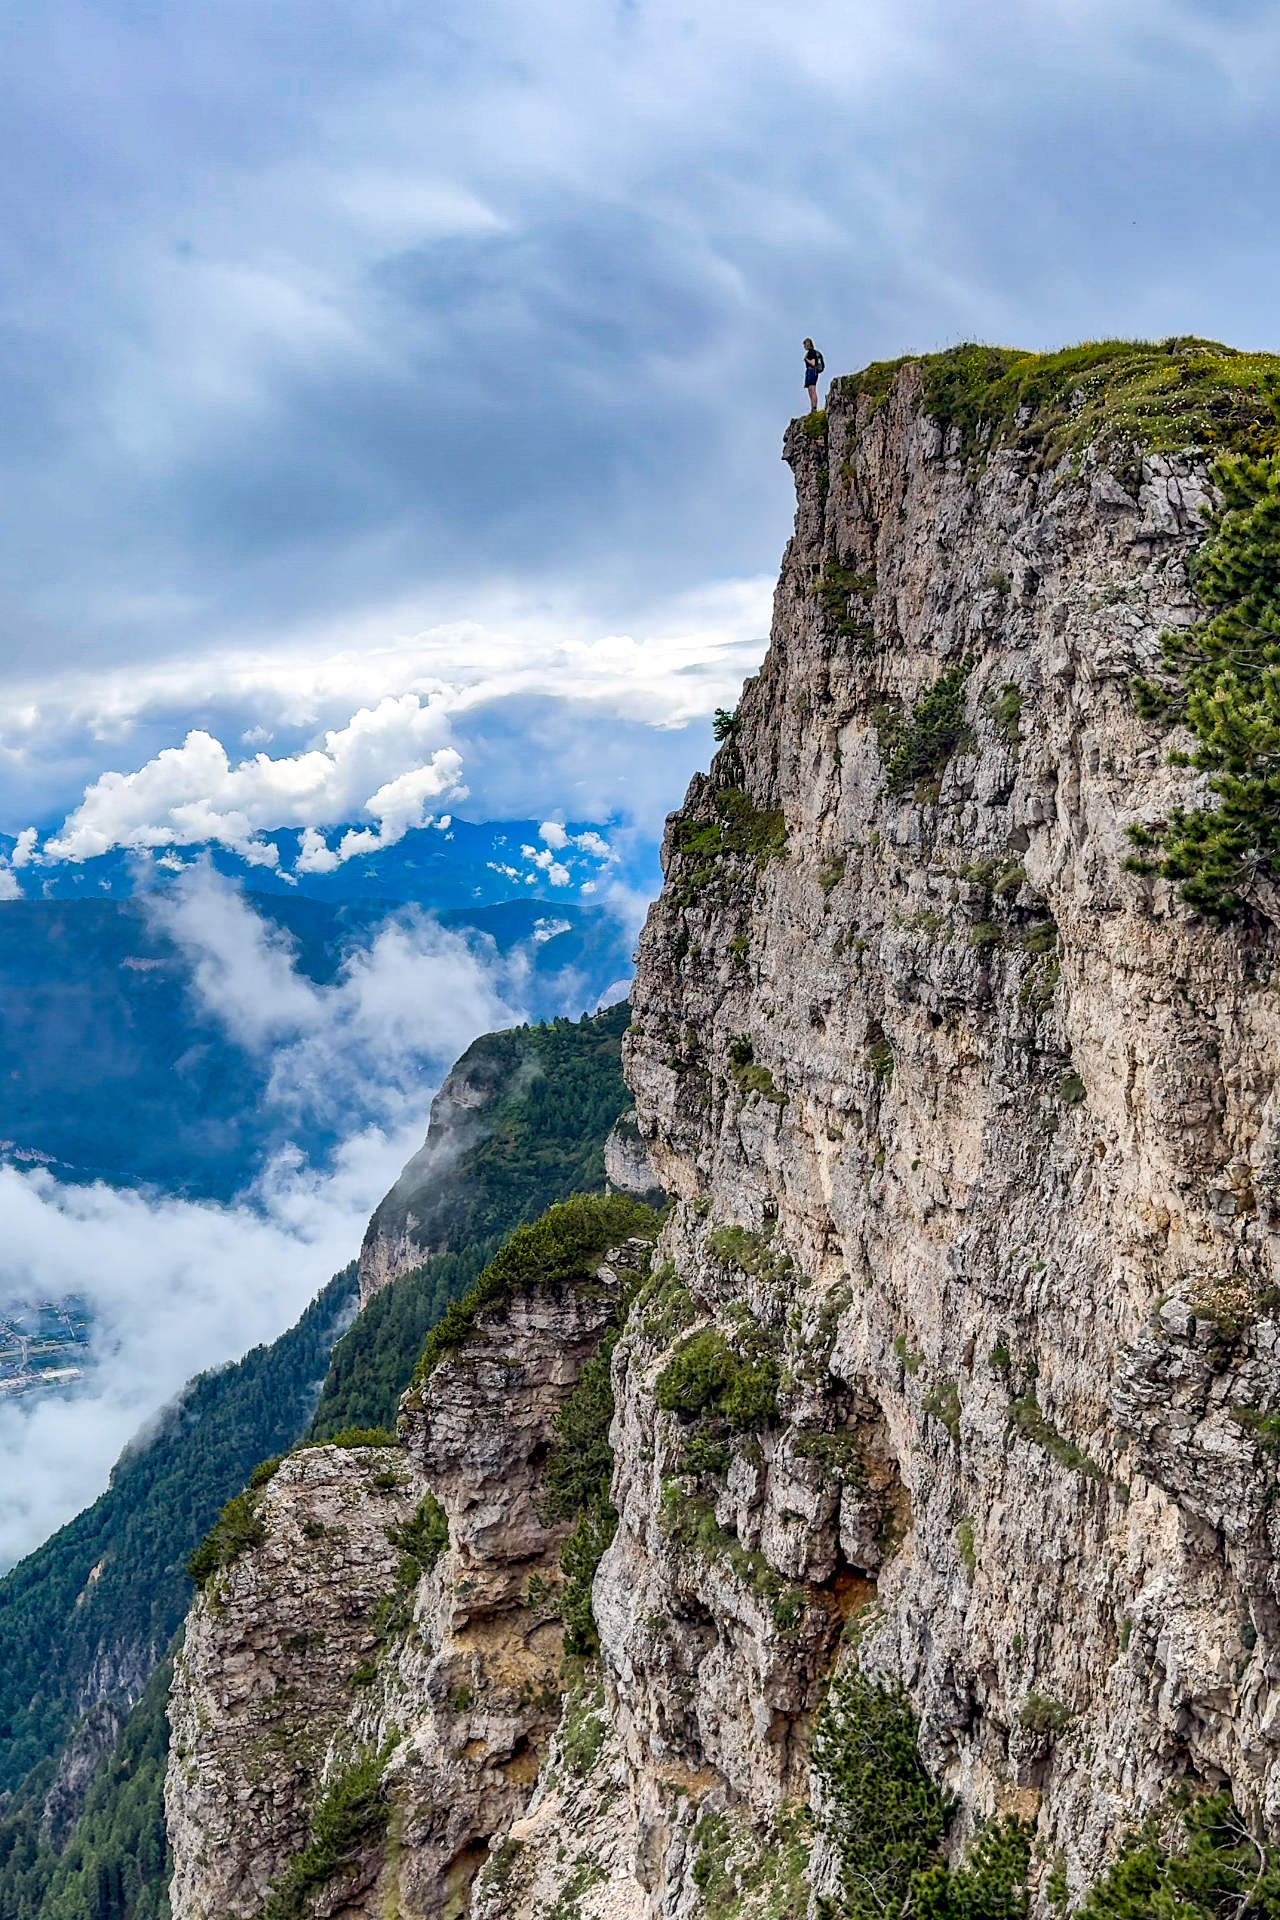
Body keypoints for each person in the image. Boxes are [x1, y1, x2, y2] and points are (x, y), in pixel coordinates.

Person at [803, 338, 825, 411]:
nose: (804, 347)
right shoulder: (811, 352)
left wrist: (806, 359)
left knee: (812, 389)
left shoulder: (811, 352)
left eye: (804, 345)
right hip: (811, 371)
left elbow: (813, 363)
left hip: (812, 371)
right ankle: (813, 407)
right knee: (810, 390)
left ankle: (814, 407)